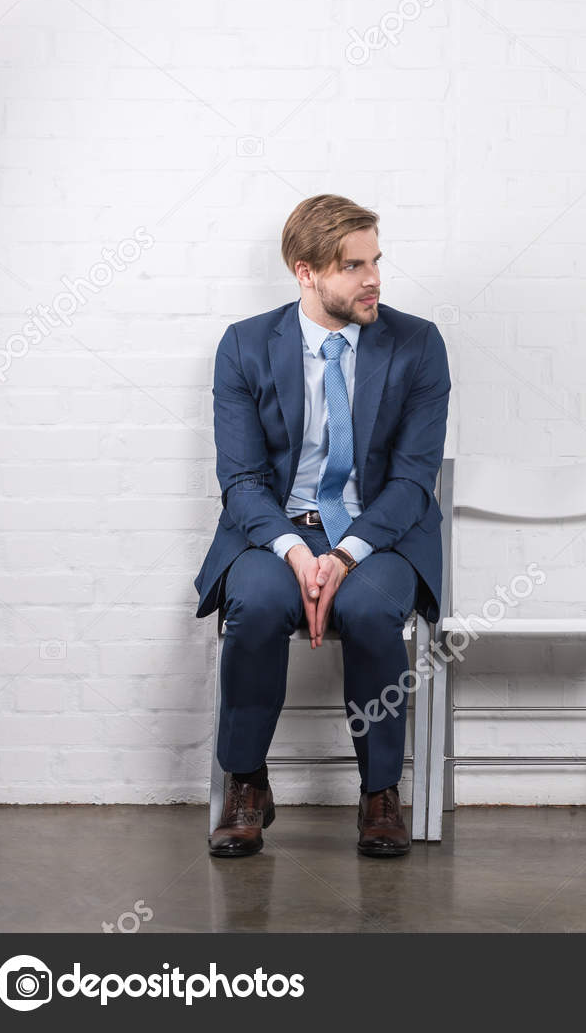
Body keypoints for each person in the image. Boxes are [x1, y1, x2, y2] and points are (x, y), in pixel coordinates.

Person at [193, 195, 450, 858]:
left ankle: (380, 791)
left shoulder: (417, 344)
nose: (373, 280)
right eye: (353, 266)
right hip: (275, 530)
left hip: (381, 532)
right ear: (305, 272)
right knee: (254, 602)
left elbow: (413, 479)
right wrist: (295, 551)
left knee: (369, 611)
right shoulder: (246, 346)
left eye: (376, 261)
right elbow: (242, 479)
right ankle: (247, 780)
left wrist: (342, 555)